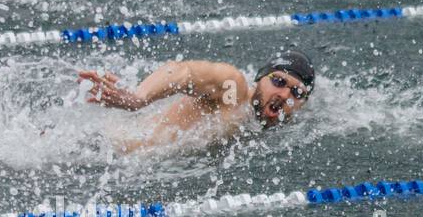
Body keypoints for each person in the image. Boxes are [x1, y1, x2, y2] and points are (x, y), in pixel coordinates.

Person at [77, 48, 316, 151]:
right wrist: (138, 99)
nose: (284, 95)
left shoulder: (267, 123)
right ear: (260, 79)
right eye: (279, 81)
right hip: (104, 147)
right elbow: (183, 72)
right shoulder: (234, 90)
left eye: (296, 93)